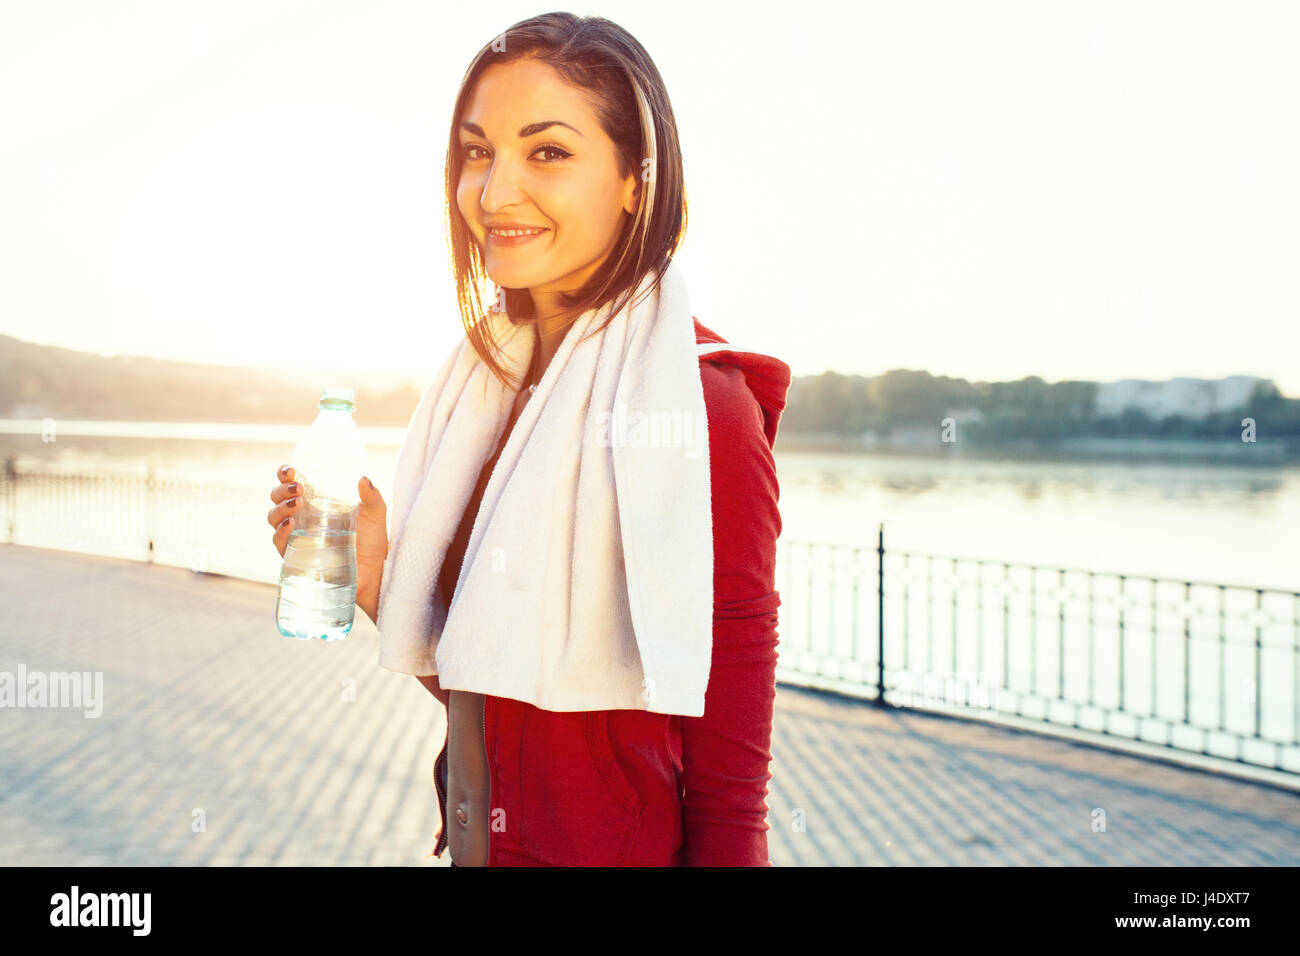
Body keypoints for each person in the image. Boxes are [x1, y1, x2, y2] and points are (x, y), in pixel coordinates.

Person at [267, 12, 790, 866]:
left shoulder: (698, 406)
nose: (495, 191)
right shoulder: (484, 391)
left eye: (547, 152)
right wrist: (374, 577)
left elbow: (733, 782)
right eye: (478, 152)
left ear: (636, 179)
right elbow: (502, 695)